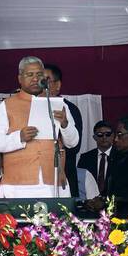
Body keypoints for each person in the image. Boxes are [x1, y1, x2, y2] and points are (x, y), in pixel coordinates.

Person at [0, 56, 79, 199]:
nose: (35, 79)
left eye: (39, 74)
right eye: (30, 75)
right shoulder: (7, 105)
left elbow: (72, 143)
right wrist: (19, 137)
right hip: (17, 185)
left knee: (54, 221)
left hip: (52, 182)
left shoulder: (58, 103)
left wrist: (65, 125)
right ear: (20, 78)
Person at [44, 64, 84, 198]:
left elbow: (75, 147)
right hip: (36, 181)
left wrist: (64, 124)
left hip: (63, 178)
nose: (41, 84)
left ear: (57, 85)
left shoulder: (69, 109)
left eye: (46, 80)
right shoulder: (28, 107)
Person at [77, 121, 116, 212]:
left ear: (113, 136)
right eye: (100, 134)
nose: (104, 137)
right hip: (89, 207)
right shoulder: (85, 157)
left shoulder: (121, 156)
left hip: (113, 205)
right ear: (94, 137)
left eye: (108, 134)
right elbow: (79, 183)